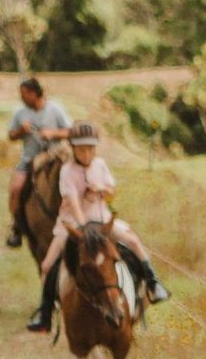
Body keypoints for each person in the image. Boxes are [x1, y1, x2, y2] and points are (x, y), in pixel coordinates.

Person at [26, 121, 169, 332]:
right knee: (48, 265)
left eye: (90, 148)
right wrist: (83, 228)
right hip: (74, 225)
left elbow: (111, 192)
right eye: (82, 149)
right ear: (73, 149)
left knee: (132, 241)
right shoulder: (67, 171)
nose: (87, 153)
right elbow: (73, 202)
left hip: (101, 220)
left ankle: (153, 283)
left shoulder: (100, 165)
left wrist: (99, 189)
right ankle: (45, 312)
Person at [5, 77, 72, 247]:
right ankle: (16, 227)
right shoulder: (20, 113)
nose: (21, 98)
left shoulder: (55, 108)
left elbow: (70, 131)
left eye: (24, 94)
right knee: (15, 189)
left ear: (34, 93)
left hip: (54, 156)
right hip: (29, 159)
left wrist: (52, 133)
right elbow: (11, 135)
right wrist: (21, 130)